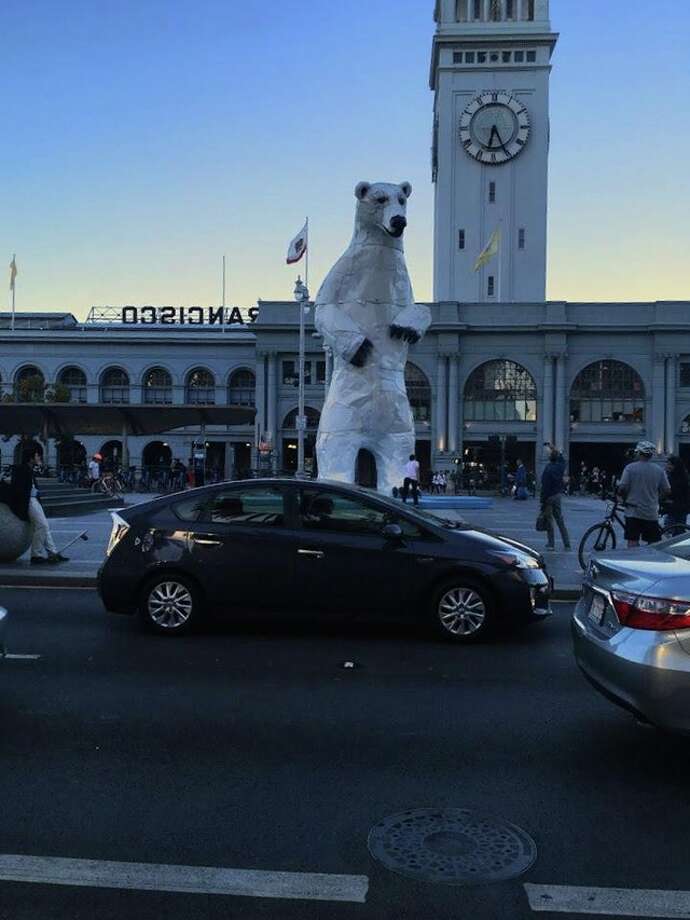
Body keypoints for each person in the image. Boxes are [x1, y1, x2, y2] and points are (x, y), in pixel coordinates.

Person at [10, 448, 68, 565]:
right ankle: (36, 555)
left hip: (34, 500)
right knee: (42, 526)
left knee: (44, 526)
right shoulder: (22, 469)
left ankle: (52, 553)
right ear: (31, 458)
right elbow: (19, 489)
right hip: (29, 501)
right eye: (37, 456)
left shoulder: (29, 469)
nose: (39, 458)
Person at [617, 441, 670, 547]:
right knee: (652, 542)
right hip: (650, 511)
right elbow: (667, 490)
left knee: (632, 540)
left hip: (633, 511)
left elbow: (622, 487)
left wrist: (621, 497)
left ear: (639, 453)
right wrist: (658, 499)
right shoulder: (659, 470)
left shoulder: (630, 468)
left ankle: (633, 561)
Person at [540, 447, 571, 551]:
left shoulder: (548, 468)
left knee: (549, 521)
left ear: (550, 459)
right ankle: (567, 543)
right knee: (560, 520)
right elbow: (563, 459)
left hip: (549, 497)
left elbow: (544, 486)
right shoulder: (560, 467)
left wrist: (542, 501)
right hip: (557, 495)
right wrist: (557, 451)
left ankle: (551, 544)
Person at [662, 455, 689, 531]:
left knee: (675, 529)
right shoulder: (672, 476)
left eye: (670, 464)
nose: (667, 466)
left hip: (678, 507)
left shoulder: (680, 478)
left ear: (676, 465)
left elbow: (674, 491)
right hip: (677, 507)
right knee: (675, 528)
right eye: (667, 464)